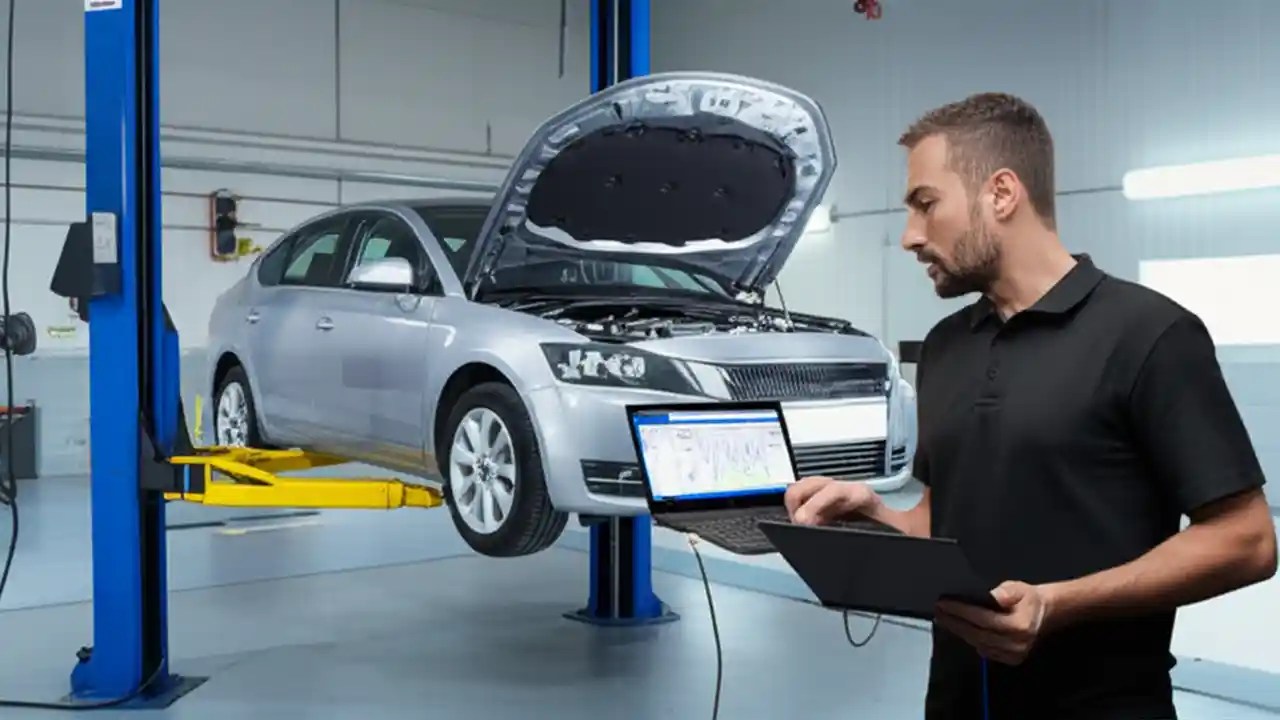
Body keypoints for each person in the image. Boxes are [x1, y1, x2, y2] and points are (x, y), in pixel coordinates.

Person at [784, 92, 1277, 719]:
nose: (909, 235)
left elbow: (1247, 540)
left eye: (926, 204)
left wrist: (1057, 603)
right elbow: (946, 523)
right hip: (959, 701)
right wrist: (875, 513)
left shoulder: (1149, 334)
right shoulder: (943, 348)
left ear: (1001, 193)